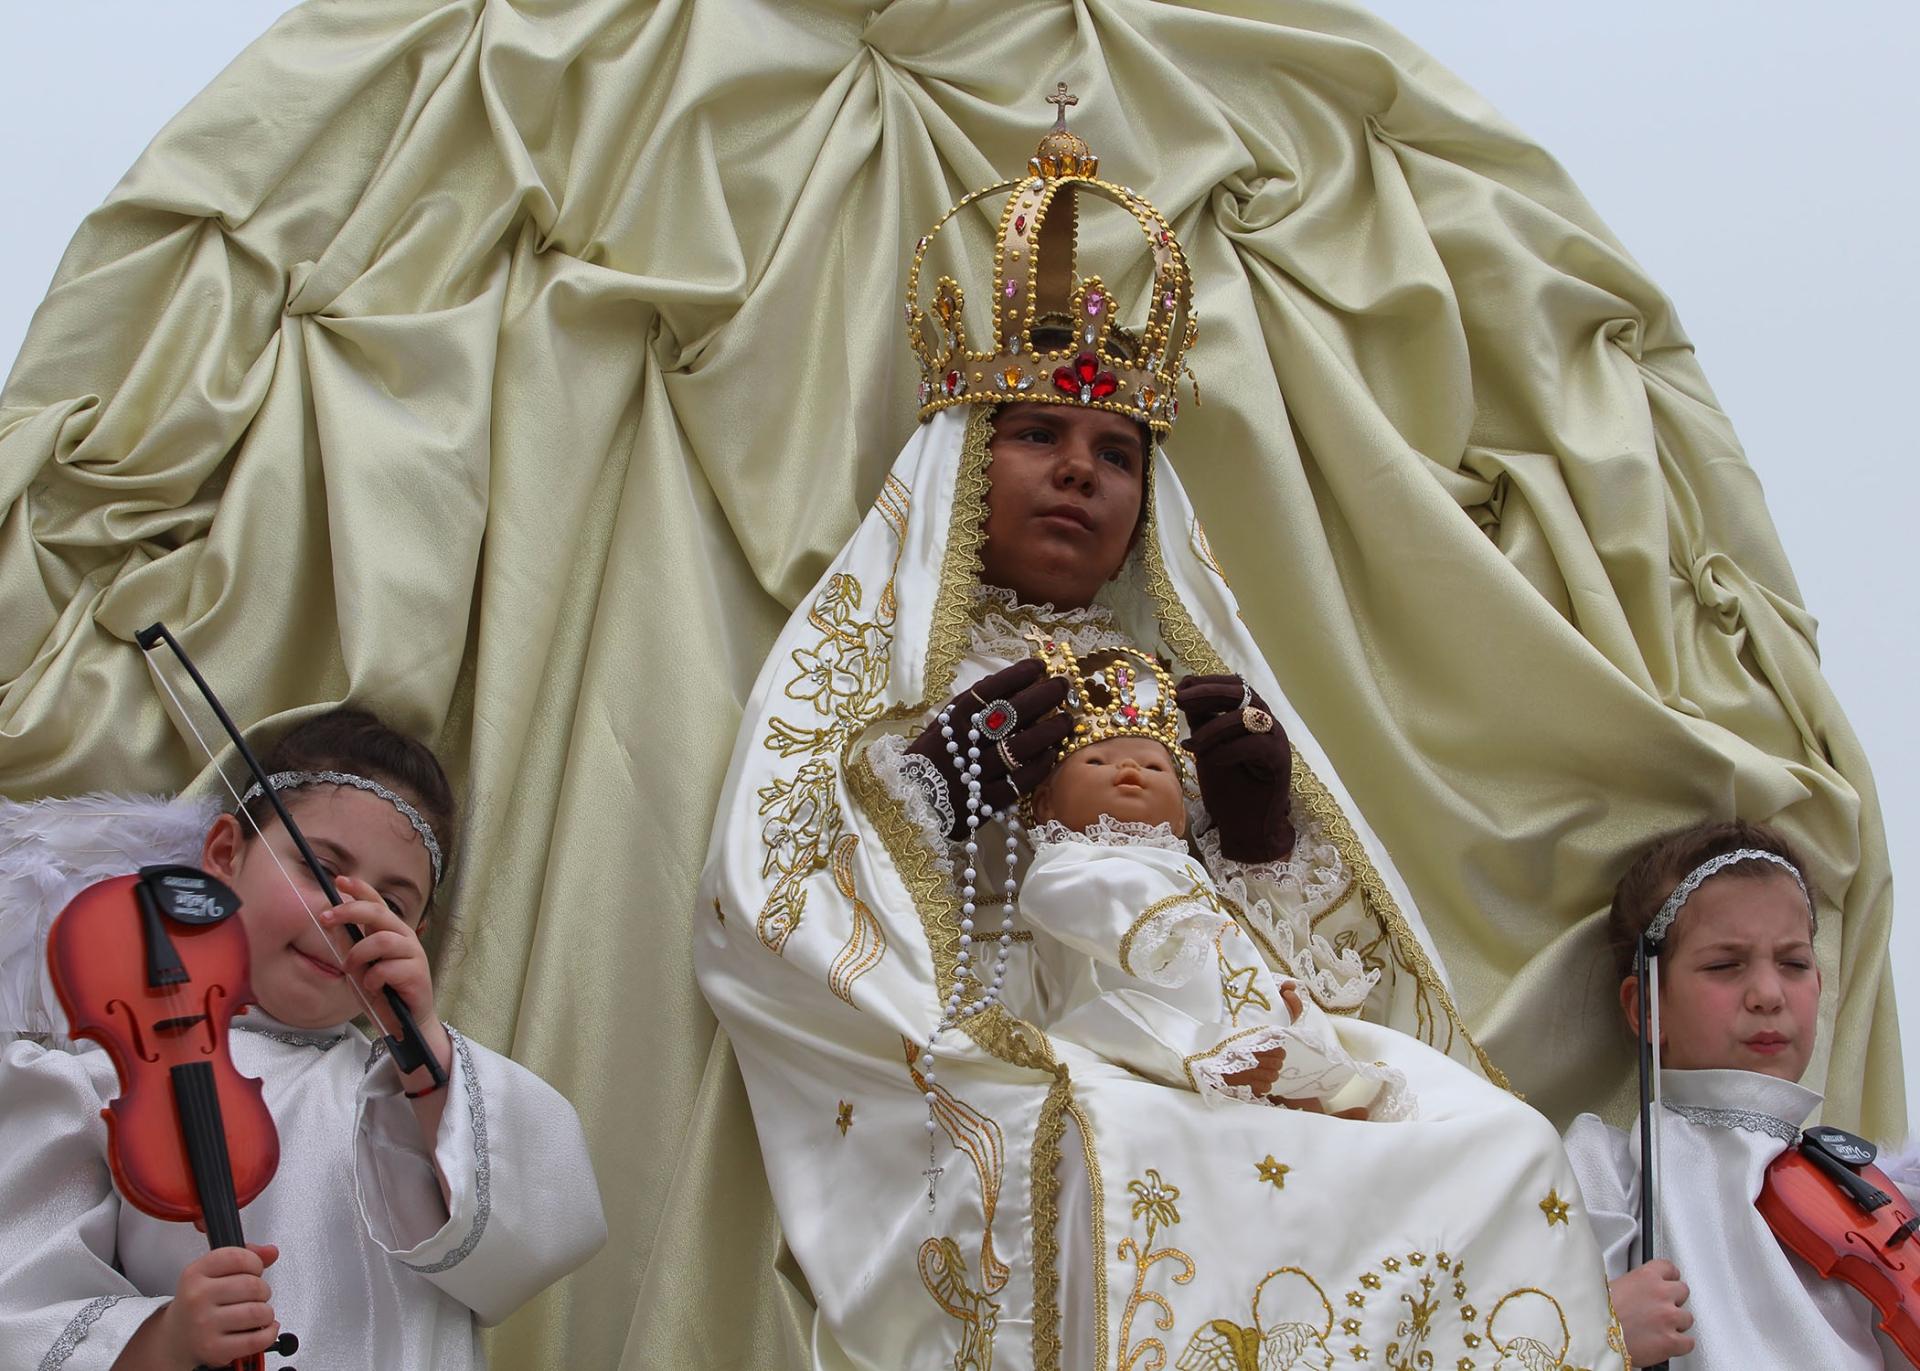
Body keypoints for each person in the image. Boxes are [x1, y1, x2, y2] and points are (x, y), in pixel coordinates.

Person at [699, 100, 1626, 1370]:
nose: (1082, 472)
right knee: (1119, 1151)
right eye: (1039, 435)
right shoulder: (886, 672)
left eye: (1118, 453)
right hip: (1020, 1045)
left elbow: (1308, 967)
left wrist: (1255, 838)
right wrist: (929, 804)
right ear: (964, 464)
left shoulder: (1179, 685)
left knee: (1498, 1141)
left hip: (1211, 1032)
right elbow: (773, 907)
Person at [0, 708, 607, 1371]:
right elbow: (21, 1306)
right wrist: (164, 1337)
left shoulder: (429, 1100)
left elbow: (541, 1232)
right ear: (225, 855)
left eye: (391, 905)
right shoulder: (106, 1085)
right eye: (319, 868)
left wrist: (424, 1045)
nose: (348, 916)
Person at [1563, 819, 1919, 1368]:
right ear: (1646, 1006)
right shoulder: (1604, 1164)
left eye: (1794, 964)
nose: (1768, 994)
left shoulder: (1871, 1200)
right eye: (1725, 965)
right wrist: (1599, 1332)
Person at [1014, 638, 1408, 1120]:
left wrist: (1275, 989)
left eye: (1155, 766)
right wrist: (1168, 922)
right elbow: (1077, 904)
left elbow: (1231, 949)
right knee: (1125, 1019)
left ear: (1181, 815)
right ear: (1044, 805)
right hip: (1125, 1013)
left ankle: (1307, 1108)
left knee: (1272, 1022)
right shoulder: (1064, 863)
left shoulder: (1190, 868)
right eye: (1097, 761)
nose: (1130, 768)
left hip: (1214, 1000)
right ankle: (1220, 1070)